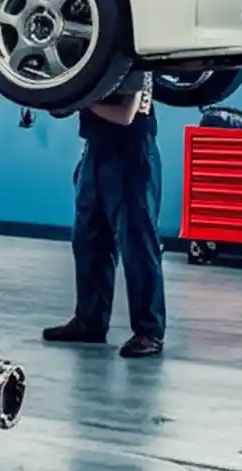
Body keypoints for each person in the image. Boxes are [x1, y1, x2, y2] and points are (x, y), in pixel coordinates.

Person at [43, 70, 165, 358]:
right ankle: (90, 322)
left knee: (137, 244)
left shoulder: (135, 61)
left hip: (132, 150)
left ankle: (149, 332)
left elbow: (125, 114)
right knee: (88, 239)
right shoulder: (92, 61)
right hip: (96, 148)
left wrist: (78, 99)